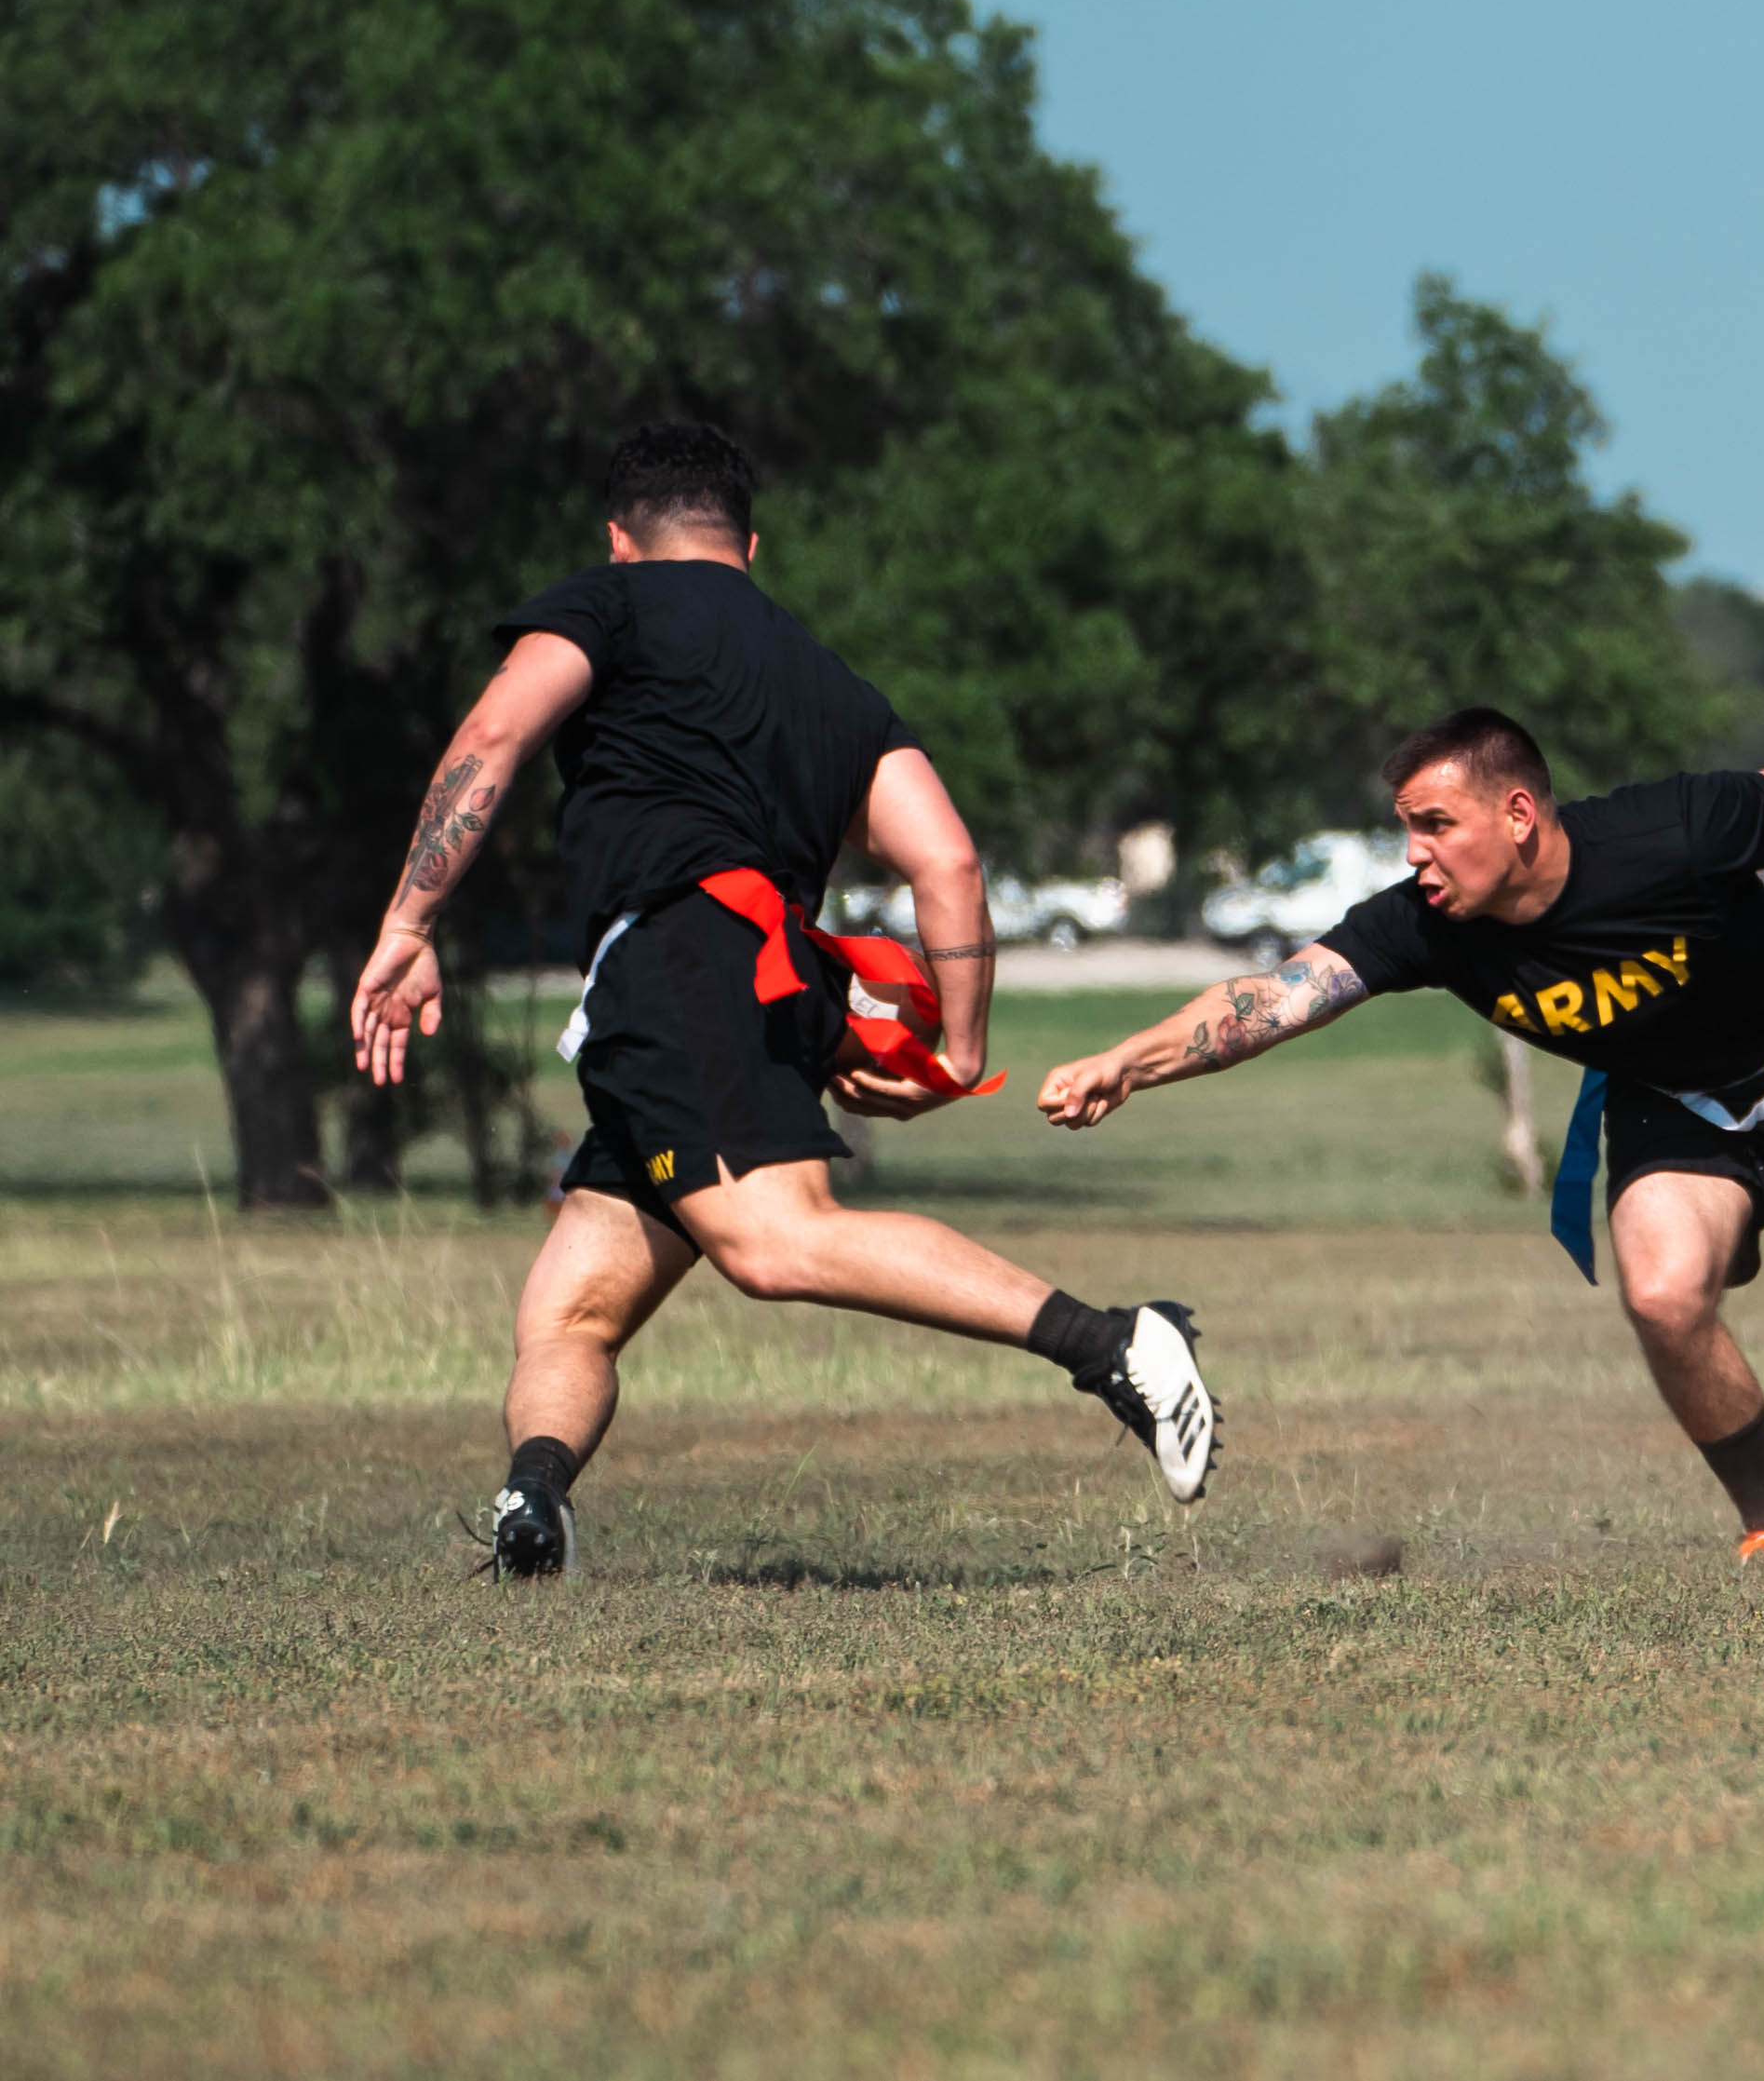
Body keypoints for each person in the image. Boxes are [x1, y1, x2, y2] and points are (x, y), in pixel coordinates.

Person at [348, 423, 1217, 1579]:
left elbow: (495, 732)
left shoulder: (610, 606)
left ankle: (1112, 1342)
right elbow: (948, 861)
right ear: (749, 544)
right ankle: (532, 1503)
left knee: (775, 1244)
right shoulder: (828, 679)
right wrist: (955, 1053)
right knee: (573, 1306)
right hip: (753, 983)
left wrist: (409, 924)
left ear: (620, 542)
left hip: (689, 966)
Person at [1038, 706, 1764, 1562]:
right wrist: (1126, 1064)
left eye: (1435, 825)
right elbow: (1277, 994)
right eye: (1407, 830)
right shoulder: (1427, 928)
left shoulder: (1672, 832)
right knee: (1661, 1290)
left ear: (1518, 810)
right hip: (1673, 1099)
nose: (1415, 855)